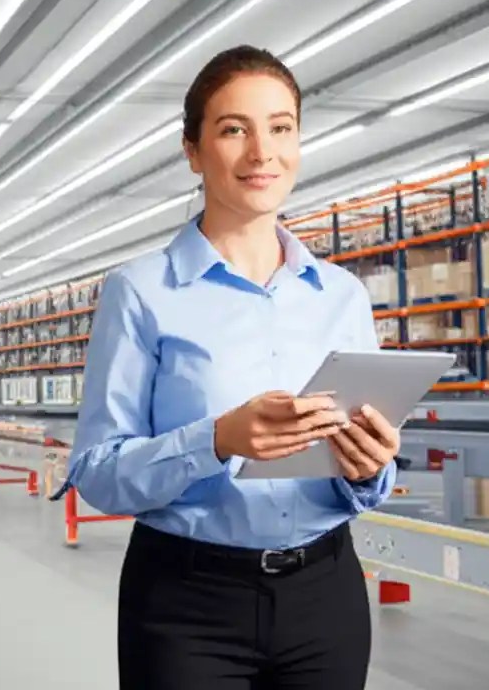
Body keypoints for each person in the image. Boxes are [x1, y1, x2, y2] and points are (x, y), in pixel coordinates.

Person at [67, 44, 401, 690]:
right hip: (187, 604)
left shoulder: (342, 296)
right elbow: (97, 475)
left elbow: (368, 469)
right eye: (233, 130)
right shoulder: (139, 292)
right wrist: (216, 440)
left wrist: (370, 470)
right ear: (192, 151)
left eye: (281, 128)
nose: (261, 153)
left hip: (325, 594)